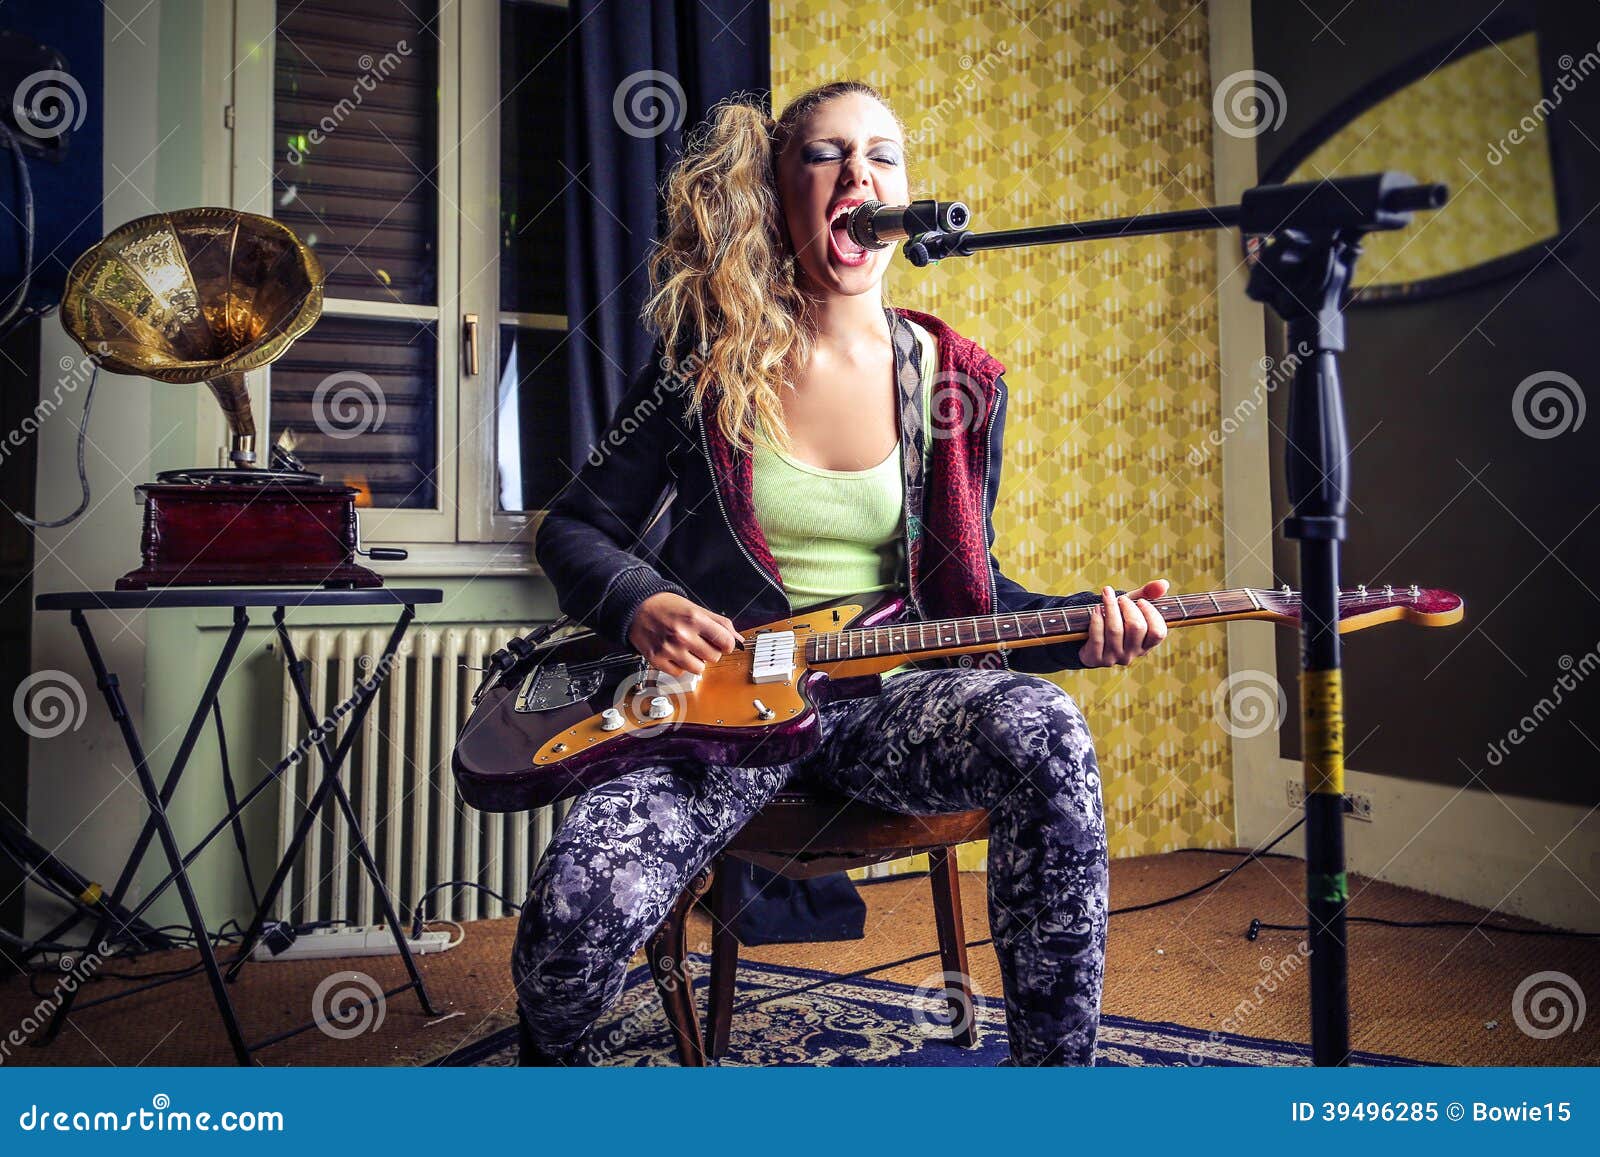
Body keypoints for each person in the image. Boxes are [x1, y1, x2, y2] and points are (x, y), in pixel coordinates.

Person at [516, 80, 1169, 1066]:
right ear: (778, 190)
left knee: (1047, 729)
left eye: (884, 153)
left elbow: (974, 594)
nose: (861, 174)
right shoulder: (704, 361)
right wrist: (642, 601)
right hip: (721, 710)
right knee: (570, 927)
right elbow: (577, 527)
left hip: (884, 710)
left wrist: (1089, 624)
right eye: (826, 153)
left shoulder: (955, 380)